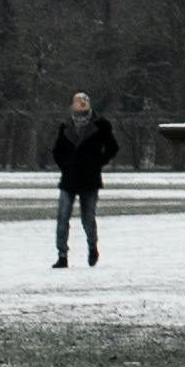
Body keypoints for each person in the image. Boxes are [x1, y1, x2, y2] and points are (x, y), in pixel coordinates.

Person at [51, 90, 116, 266]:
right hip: (69, 179)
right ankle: (62, 255)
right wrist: (66, 166)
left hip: (90, 179)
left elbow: (112, 147)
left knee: (87, 218)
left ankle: (92, 247)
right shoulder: (65, 126)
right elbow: (57, 151)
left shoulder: (101, 125)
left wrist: (98, 162)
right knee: (62, 217)